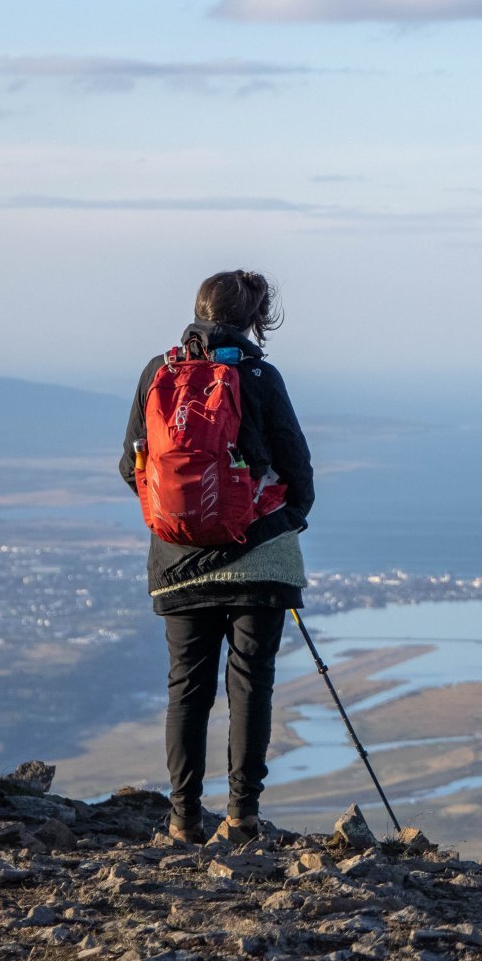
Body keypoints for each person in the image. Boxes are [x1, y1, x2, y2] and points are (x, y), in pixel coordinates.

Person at [118, 270, 315, 843]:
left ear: (198, 311)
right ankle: (241, 818)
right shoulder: (259, 376)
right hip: (260, 560)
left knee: (187, 688)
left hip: (178, 560)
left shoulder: (158, 372)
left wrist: (181, 520)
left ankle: (183, 819)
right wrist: (275, 524)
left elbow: (130, 466)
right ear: (253, 319)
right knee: (250, 684)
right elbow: (297, 470)